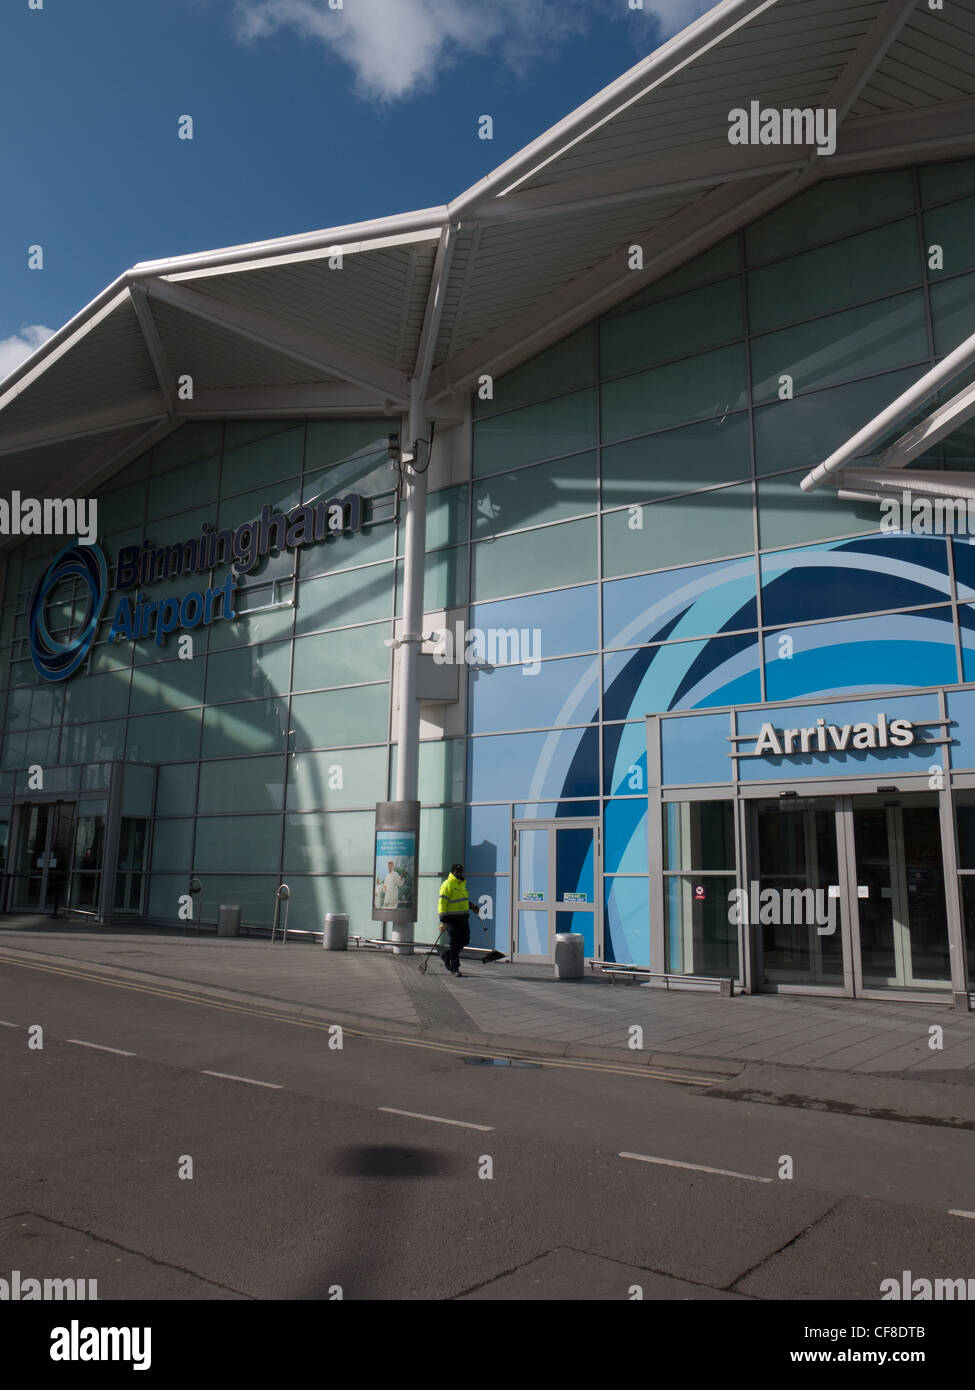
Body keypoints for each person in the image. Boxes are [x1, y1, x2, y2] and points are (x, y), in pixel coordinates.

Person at [437, 862, 472, 976]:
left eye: (460, 871)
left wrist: (472, 906)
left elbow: (462, 901)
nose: (459, 873)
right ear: (452, 872)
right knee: (455, 942)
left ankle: (446, 955)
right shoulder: (447, 884)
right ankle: (454, 967)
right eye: (457, 871)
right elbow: (442, 901)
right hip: (451, 919)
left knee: (465, 940)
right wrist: (442, 917)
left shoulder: (462, 884)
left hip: (463, 918)